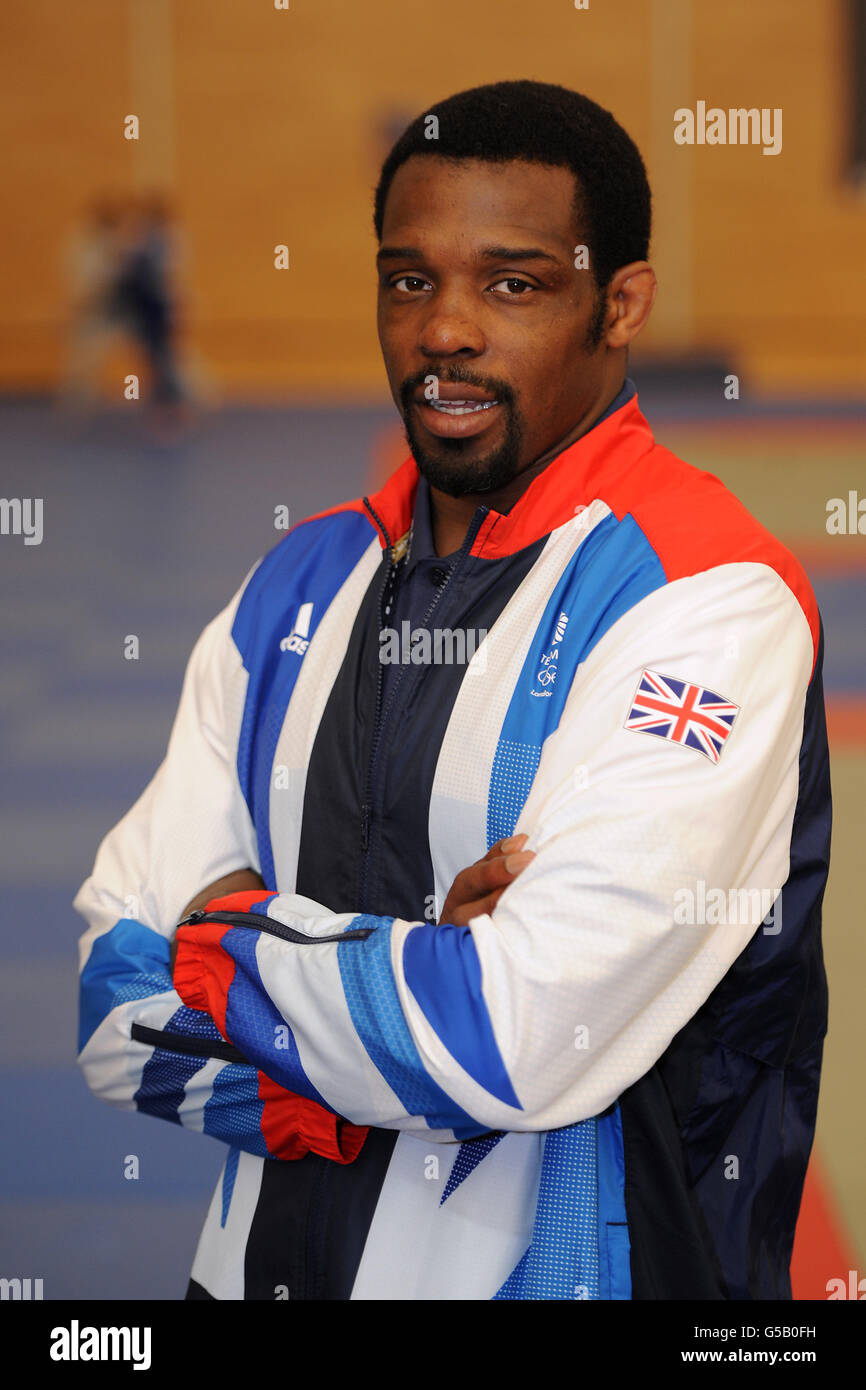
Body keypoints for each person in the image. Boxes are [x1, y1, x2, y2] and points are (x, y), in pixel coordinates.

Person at [73, 80, 830, 1301]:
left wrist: (214, 932)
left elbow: (513, 1036)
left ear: (618, 303)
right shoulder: (294, 582)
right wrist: (418, 959)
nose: (444, 331)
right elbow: (112, 1013)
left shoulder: (701, 596)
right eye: (408, 279)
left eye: (512, 284)